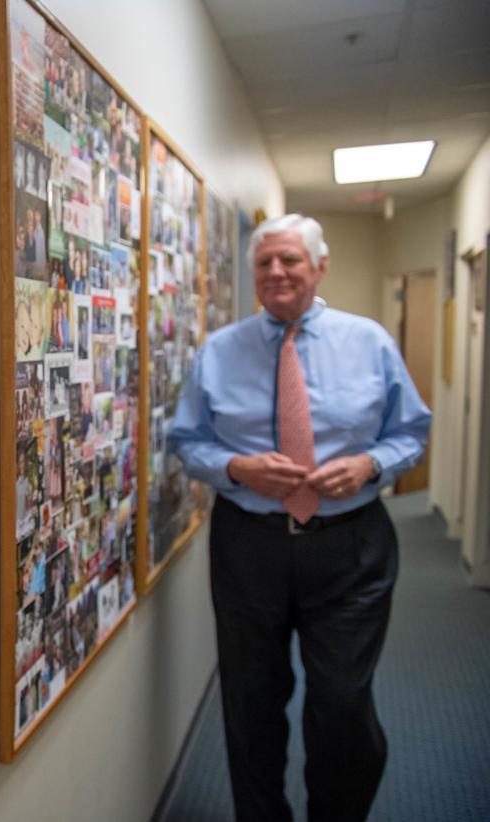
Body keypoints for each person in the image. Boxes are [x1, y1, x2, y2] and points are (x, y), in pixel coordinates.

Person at [169, 214, 431, 822]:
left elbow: (412, 431)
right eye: (265, 262)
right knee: (250, 700)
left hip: (350, 547)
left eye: (290, 260)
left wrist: (369, 464)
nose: (277, 272)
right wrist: (237, 468)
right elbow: (187, 440)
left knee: (342, 701)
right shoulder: (219, 351)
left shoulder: (369, 342)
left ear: (319, 266)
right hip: (248, 547)